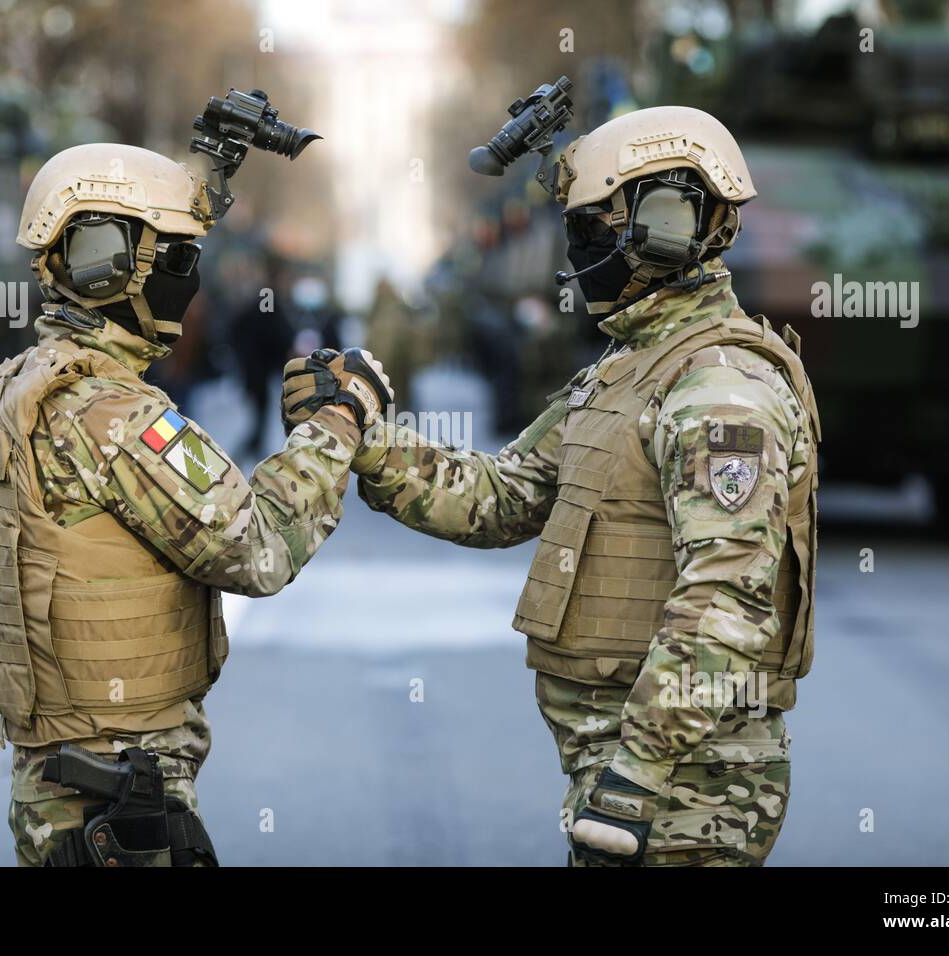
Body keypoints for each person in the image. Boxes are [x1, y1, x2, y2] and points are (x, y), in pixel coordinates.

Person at [286, 106, 820, 866]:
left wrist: (637, 773)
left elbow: (726, 600)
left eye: (595, 233)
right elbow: (502, 496)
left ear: (662, 229)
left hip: (686, 788)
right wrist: (360, 435)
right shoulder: (631, 367)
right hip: (631, 771)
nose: (578, 254)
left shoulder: (719, 390)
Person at [0, 142, 390, 866]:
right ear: (113, 263)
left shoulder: (19, 382)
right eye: (172, 258)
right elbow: (257, 546)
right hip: (117, 789)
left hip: (63, 774)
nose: (186, 281)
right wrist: (337, 423)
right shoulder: (113, 414)